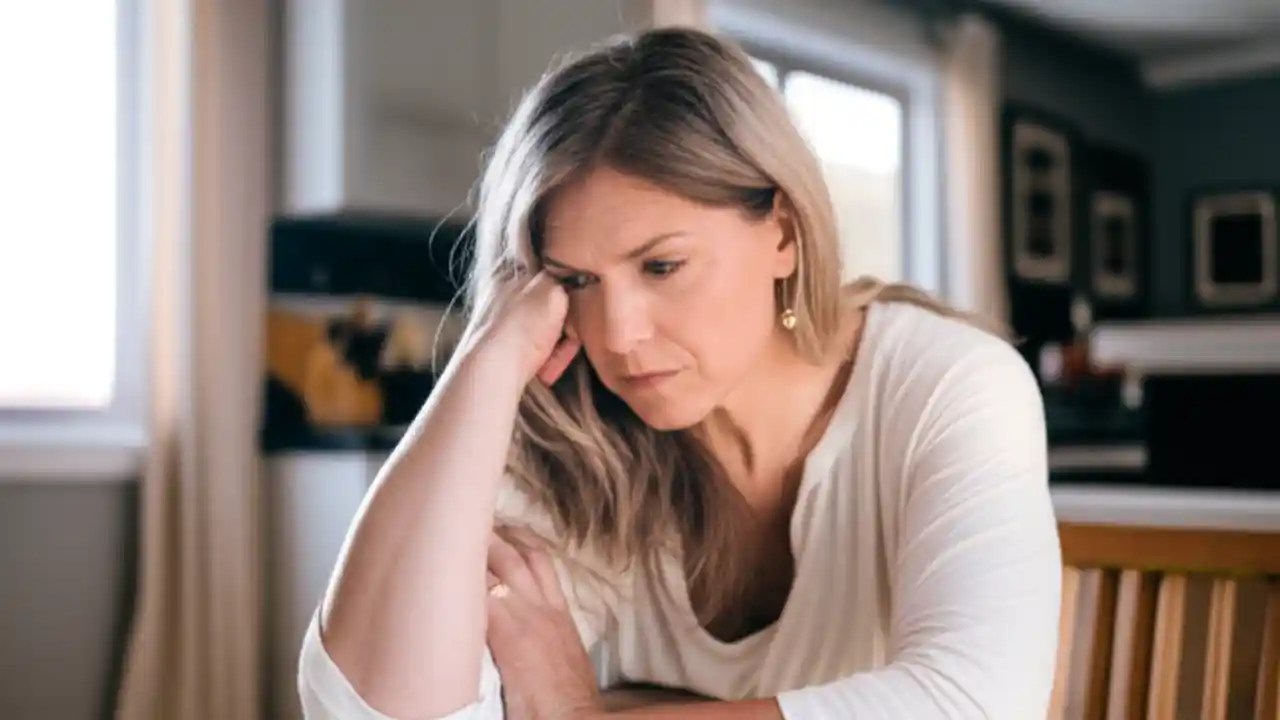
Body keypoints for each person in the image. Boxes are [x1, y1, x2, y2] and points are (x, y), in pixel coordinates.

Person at [297, 25, 1062, 720]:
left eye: (662, 265)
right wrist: (484, 365)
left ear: (784, 235)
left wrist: (578, 710)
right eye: (576, 281)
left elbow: (974, 704)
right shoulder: (578, 423)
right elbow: (370, 711)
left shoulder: (950, 386)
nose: (618, 337)